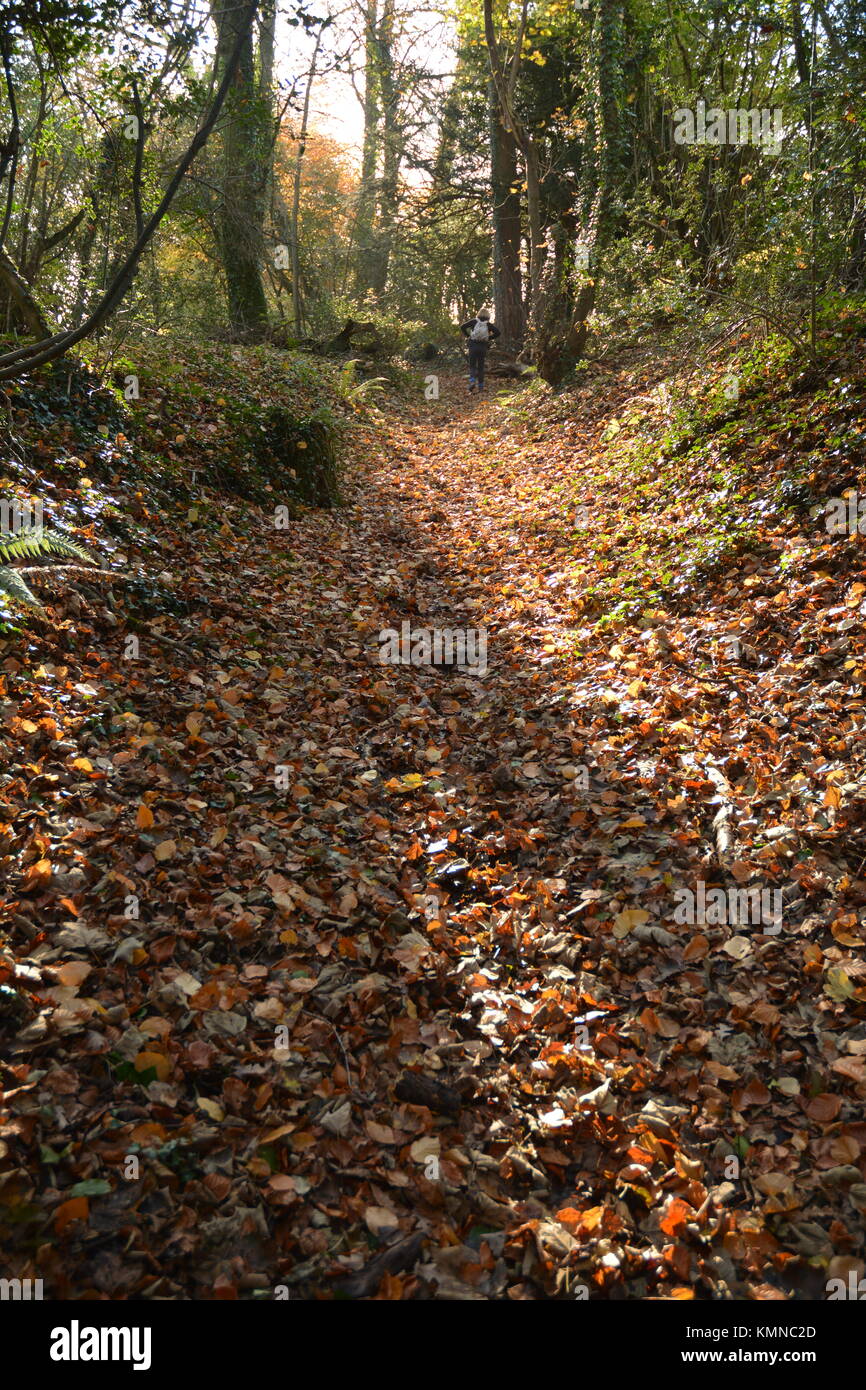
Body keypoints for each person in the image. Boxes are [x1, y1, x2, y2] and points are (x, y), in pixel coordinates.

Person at [460, 308, 500, 393]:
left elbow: (462, 327)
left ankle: (472, 381)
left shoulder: (474, 321)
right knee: (481, 367)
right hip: (482, 346)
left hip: (473, 345)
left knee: (472, 365)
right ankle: (481, 387)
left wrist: (468, 336)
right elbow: (498, 332)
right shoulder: (488, 324)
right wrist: (489, 338)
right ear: (488, 316)